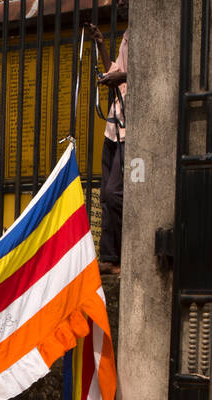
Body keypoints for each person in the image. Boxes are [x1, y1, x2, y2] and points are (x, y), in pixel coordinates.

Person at [89, 2, 128, 275]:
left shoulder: (146, 36)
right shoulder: (129, 35)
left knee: (115, 193)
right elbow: (114, 69)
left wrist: (117, 76)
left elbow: (139, 72)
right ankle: (108, 258)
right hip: (113, 127)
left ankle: (119, 255)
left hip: (129, 128)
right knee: (105, 195)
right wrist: (101, 44)